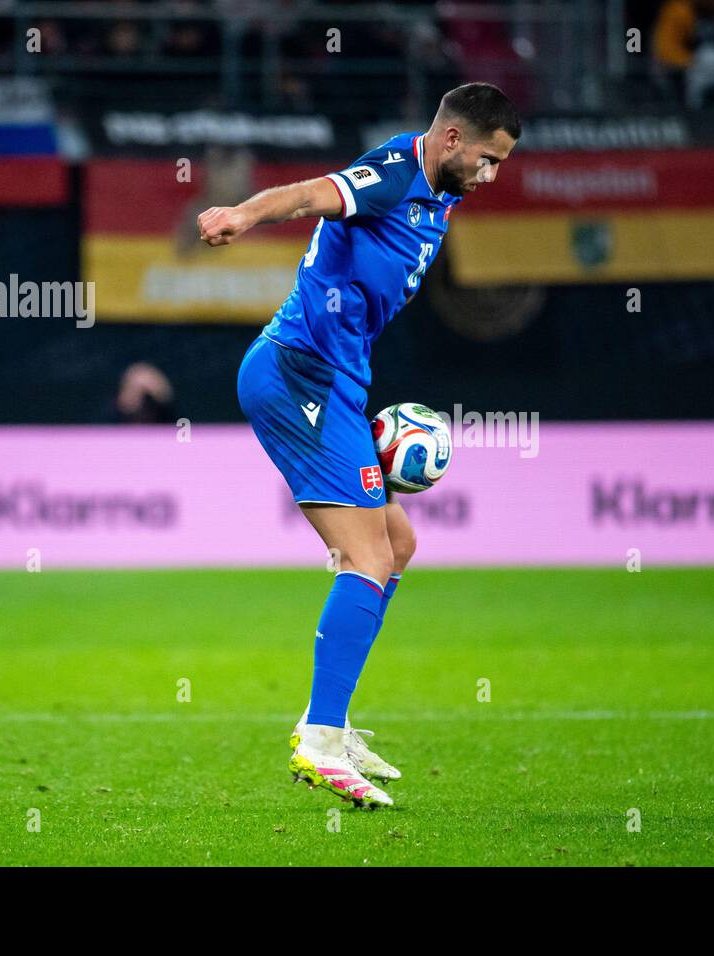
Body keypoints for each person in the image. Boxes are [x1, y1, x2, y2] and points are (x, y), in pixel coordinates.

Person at [197, 82, 520, 808]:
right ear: (451, 140)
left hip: (337, 383)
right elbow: (314, 192)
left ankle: (335, 728)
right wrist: (242, 214)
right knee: (367, 555)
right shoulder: (396, 173)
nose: (492, 175)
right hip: (295, 375)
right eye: (489, 159)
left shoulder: (440, 196)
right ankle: (318, 739)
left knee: (396, 546)